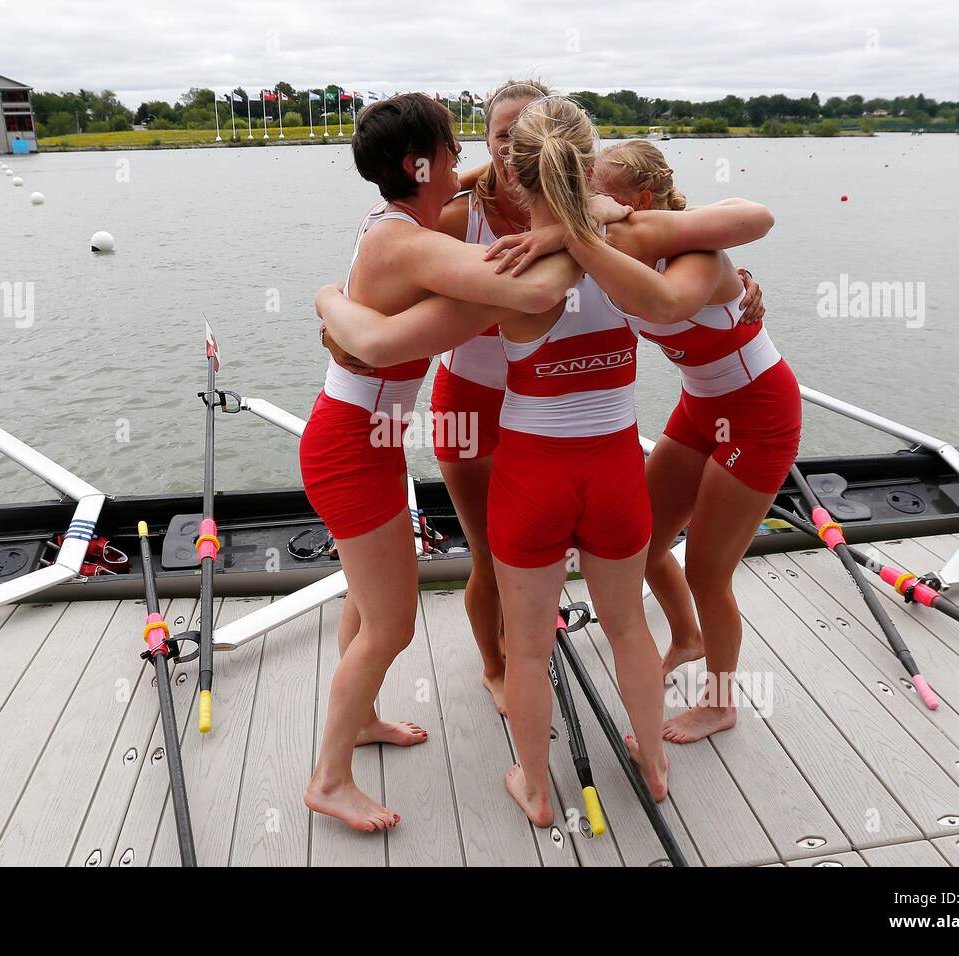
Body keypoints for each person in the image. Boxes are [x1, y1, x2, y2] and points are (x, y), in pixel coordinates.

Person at [317, 97, 776, 826]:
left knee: (516, 640)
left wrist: (330, 302)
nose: (485, 150)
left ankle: (533, 783)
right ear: (584, 165)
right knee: (613, 619)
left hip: (526, 462)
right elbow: (740, 227)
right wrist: (595, 223)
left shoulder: (508, 263)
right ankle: (648, 760)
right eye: (476, 140)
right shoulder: (619, 240)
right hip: (591, 456)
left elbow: (391, 339)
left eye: (504, 142)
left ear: (520, 166)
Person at [301, 93, 594, 833]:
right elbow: (528, 292)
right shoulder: (409, 242)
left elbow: (473, 210)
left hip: (363, 437)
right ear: (416, 163)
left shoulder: (405, 223)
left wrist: (329, 297)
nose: (462, 157)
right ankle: (329, 779)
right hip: (350, 447)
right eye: (451, 147)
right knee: (392, 626)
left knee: (368, 606)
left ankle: (359, 717)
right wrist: (582, 232)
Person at [488, 138, 801, 744]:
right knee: (645, 542)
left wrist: (573, 233)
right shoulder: (609, 245)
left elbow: (672, 295)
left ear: (642, 201)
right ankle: (685, 637)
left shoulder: (693, 252)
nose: (583, 197)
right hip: (699, 407)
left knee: (710, 570)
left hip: (760, 412)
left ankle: (721, 701)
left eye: (597, 189)